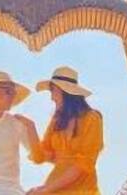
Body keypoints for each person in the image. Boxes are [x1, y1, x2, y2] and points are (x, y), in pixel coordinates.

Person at [16, 66, 104, 195]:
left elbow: (82, 166)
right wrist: (31, 128)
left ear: (64, 91)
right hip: (54, 188)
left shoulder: (92, 119)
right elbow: (40, 157)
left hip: (82, 190)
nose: (51, 97)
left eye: (52, 91)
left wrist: (45, 190)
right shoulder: (57, 121)